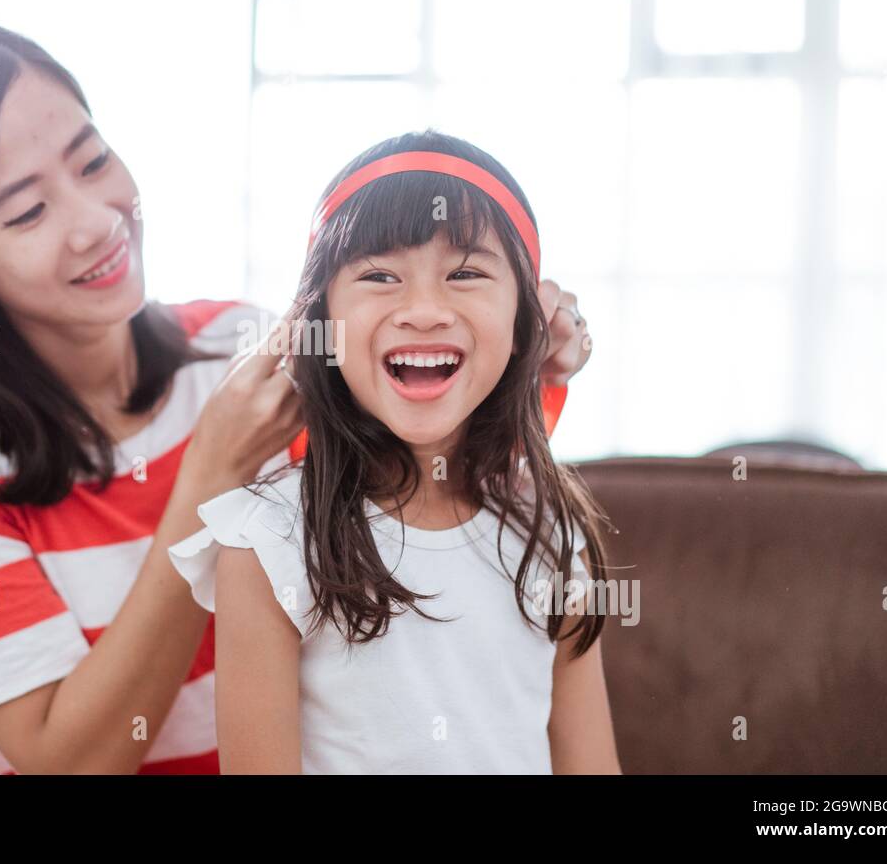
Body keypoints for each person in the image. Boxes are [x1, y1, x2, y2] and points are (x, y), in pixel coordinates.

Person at [0, 21, 596, 774]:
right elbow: (68, 759)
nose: (94, 222)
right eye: (29, 210)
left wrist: (526, 361)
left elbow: (433, 507)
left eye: (92, 159)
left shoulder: (241, 350)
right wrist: (210, 474)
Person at [169, 130, 620, 773]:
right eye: (379, 276)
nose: (426, 310)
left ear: (526, 320)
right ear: (317, 324)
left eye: (466, 273)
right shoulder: (266, 543)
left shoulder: (550, 529)